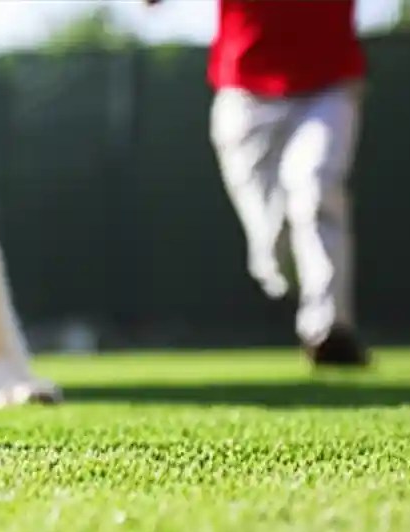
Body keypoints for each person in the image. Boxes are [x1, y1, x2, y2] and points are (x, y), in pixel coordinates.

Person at [146, 0, 370, 366]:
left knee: (315, 188)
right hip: (245, 90)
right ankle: (290, 278)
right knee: (273, 247)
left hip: (327, 84)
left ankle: (328, 330)